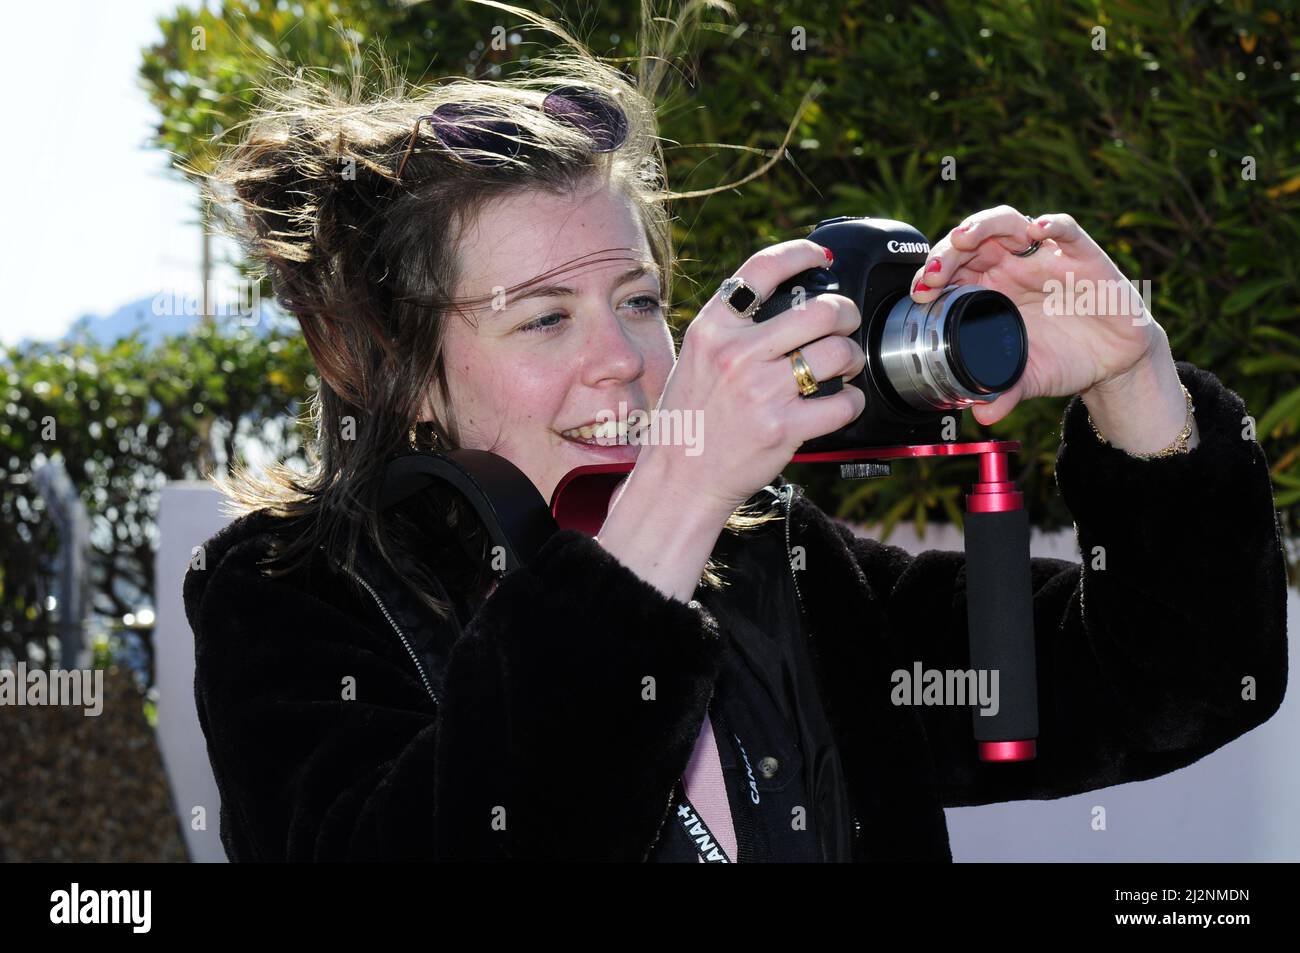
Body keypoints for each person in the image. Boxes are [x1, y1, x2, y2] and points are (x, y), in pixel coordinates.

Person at [182, 12, 1288, 862]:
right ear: (393, 364)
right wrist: (667, 517)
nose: (620, 355)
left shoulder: (773, 563)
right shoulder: (290, 595)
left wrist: (1135, 385)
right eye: (544, 316)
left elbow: (1179, 688)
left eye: (641, 298)